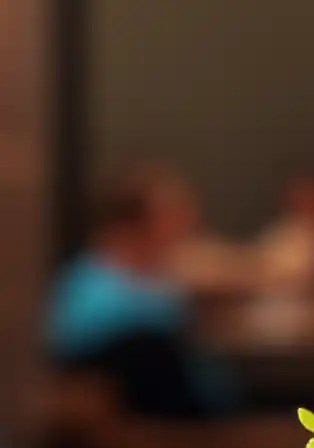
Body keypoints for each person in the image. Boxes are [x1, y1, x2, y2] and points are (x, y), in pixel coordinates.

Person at [47, 166, 241, 419]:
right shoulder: (97, 297)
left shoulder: (145, 279)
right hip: (181, 435)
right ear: (130, 226)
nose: (190, 224)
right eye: (175, 215)